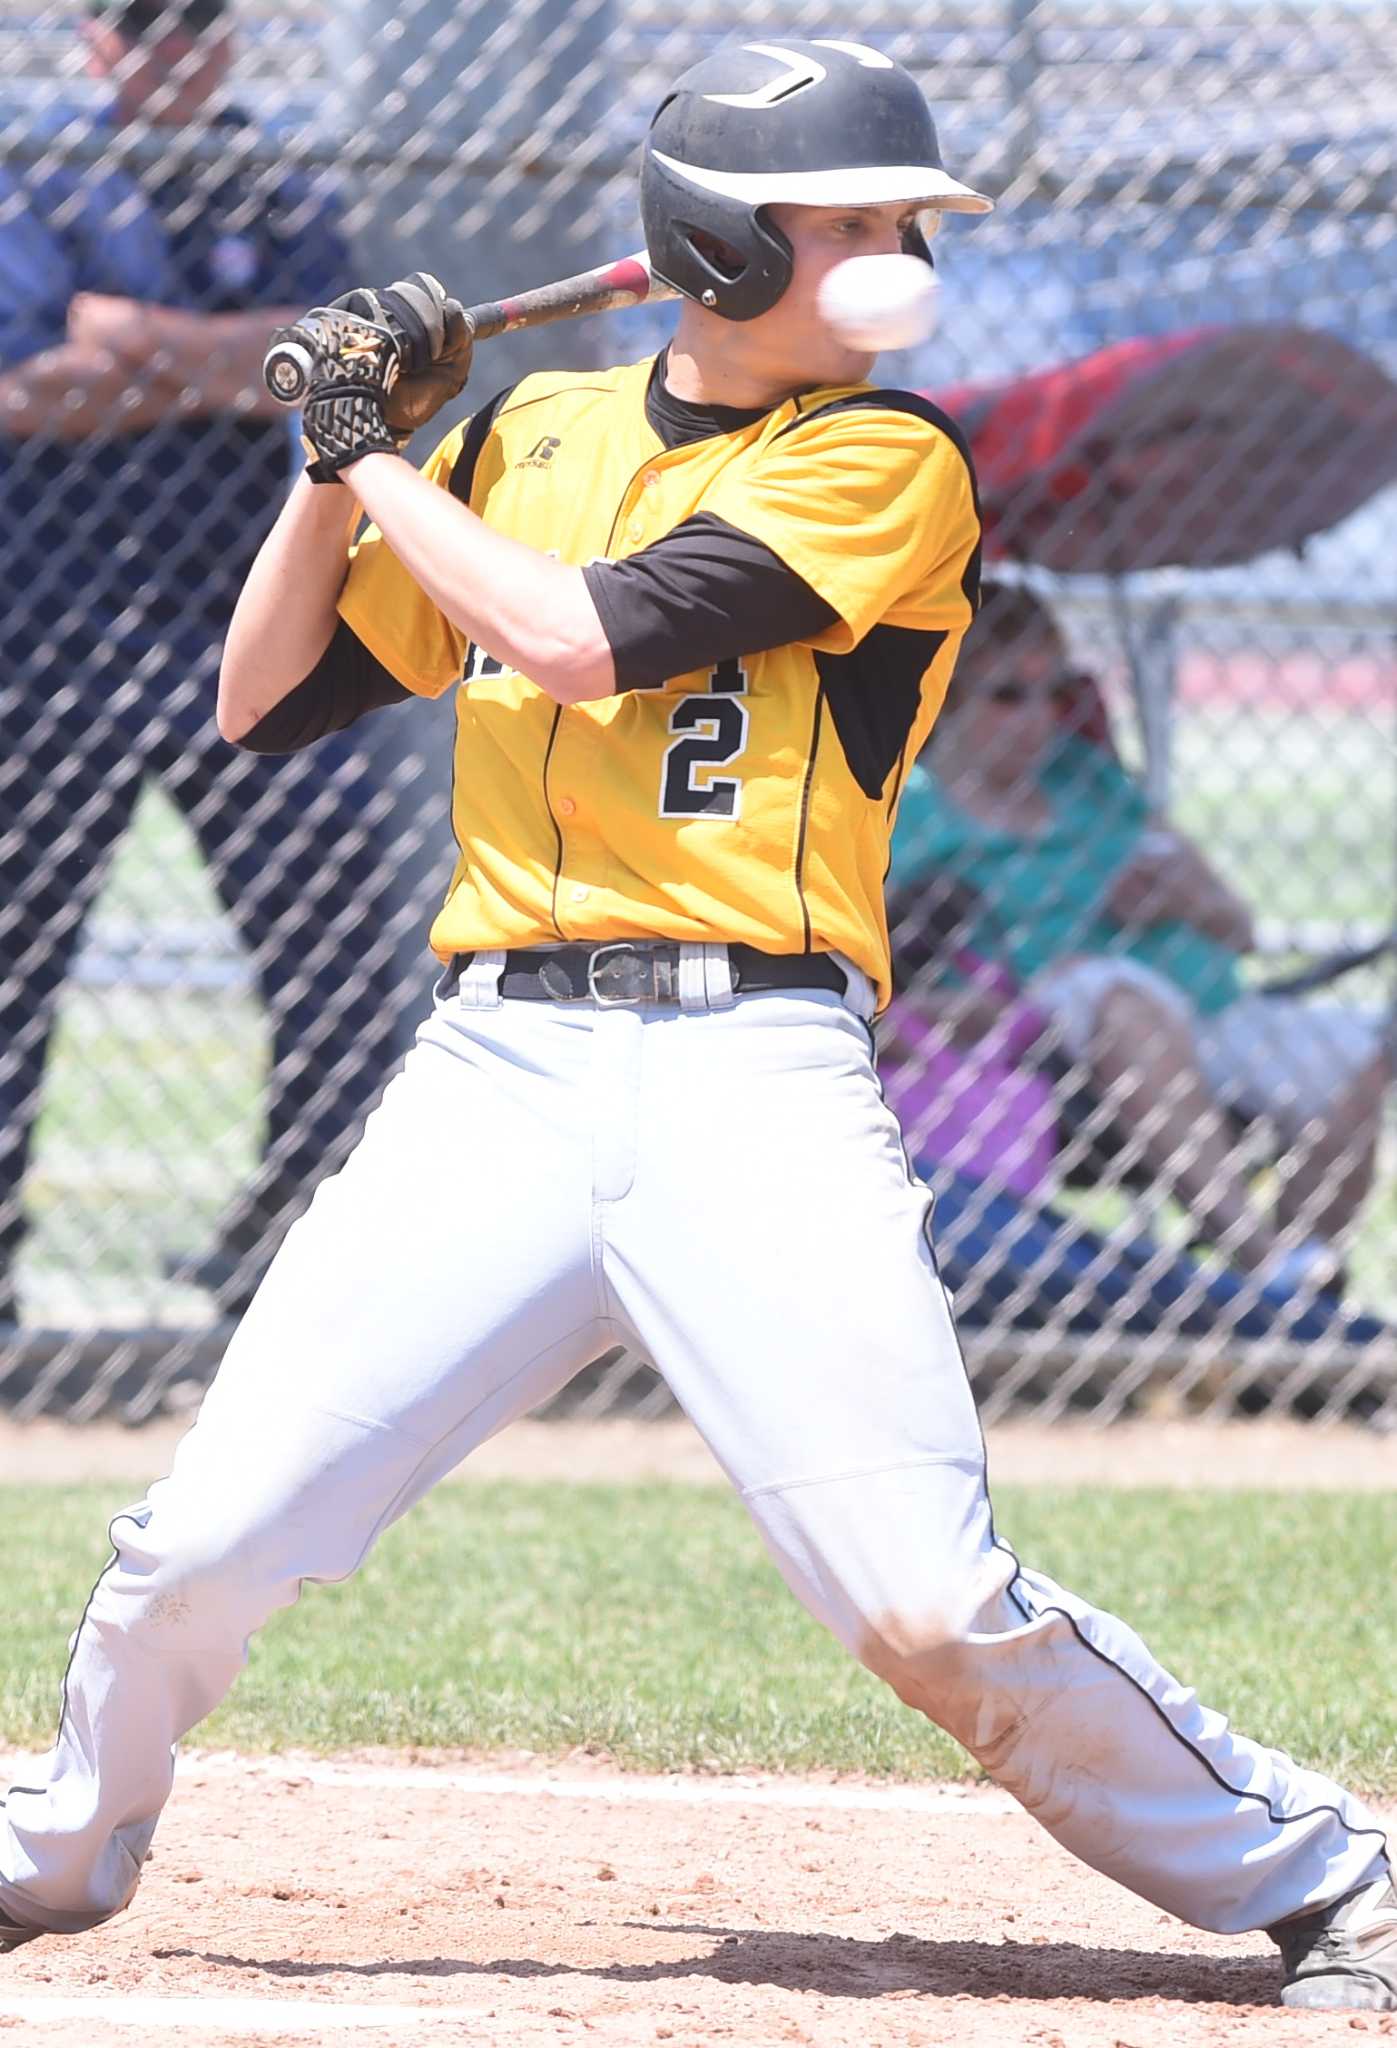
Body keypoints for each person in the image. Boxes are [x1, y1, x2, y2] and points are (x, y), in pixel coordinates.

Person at [1, 39, 1392, 2012]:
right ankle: (49, 1854)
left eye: (900, 219)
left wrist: (369, 446)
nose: (902, 252)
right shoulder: (536, 432)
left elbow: (575, 640)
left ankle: (1328, 1877)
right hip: (491, 1073)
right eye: (855, 221)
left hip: (756, 1081)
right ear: (718, 246)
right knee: (203, 1537)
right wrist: (328, 469)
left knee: (920, 1602)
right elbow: (260, 695)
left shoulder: (884, 459)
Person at [0, 0, 405, 1327]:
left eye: (192, 24)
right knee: (17, 964)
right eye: (139, 26)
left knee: (337, 952)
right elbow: (21, 390)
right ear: (93, 45)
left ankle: (283, 1257)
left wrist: (139, 347)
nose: (168, 48)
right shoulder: (35, 173)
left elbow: (347, 371)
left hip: (251, 635)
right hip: (52, 643)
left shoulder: (275, 183)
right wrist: (237, 365)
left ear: (227, 43)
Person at [888, 580, 1393, 1295]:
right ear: (947, 696)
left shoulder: (1088, 780)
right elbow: (886, 992)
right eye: (1007, 695)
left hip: (1203, 1011)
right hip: (1045, 1029)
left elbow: (1239, 928)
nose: (1038, 720)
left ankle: (1304, 1288)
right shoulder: (912, 815)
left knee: (1355, 1057)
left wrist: (1183, 899)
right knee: (1118, 993)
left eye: (1056, 694)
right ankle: (1259, 1262)